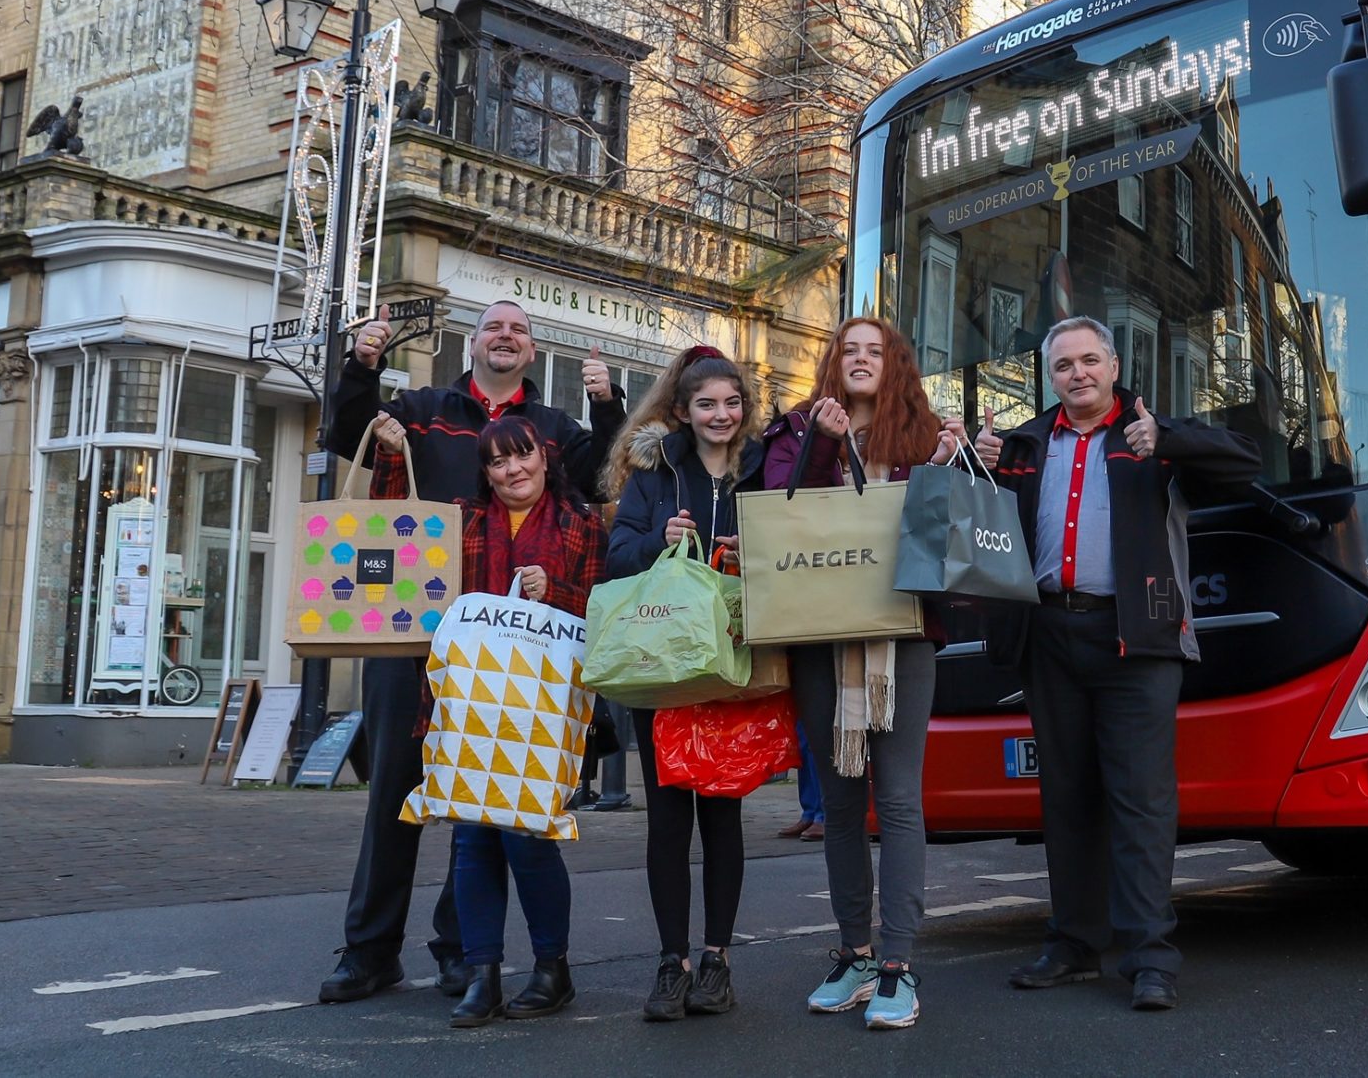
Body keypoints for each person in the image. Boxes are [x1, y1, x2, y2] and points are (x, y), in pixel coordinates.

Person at [316, 300, 622, 1006]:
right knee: (394, 793)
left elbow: (604, 478)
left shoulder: (554, 428)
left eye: (518, 328)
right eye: (493, 326)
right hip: (413, 630)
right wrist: (363, 368)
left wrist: (607, 406)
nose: (505, 336)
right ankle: (368, 950)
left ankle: (463, 952)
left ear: (533, 351)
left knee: (483, 795)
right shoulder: (423, 406)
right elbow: (347, 431)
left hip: (504, 650)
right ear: (475, 343)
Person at [975, 316, 1260, 1012]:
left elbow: (1247, 459)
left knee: (1141, 801)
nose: (1078, 373)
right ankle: (1073, 942)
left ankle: (1149, 956)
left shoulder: (1149, 433)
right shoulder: (1025, 441)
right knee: (1066, 798)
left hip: (1137, 636)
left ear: (1113, 363)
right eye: (1065, 363)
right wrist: (975, 455)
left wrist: (1170, 435)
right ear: (1052, 375)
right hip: (1048, 631)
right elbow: (977, 517)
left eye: (1090, 360)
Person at [760, 317, 965, 1031]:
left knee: (900, 799)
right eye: (850, 350)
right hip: (821, 635)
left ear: (895, 364)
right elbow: (782, 508)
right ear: (833, 361)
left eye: (875, 351)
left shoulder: (924, 433)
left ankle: (898, 966)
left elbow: (943, 533)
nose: (861, 359)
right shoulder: (797, 428)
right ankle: (854, 953)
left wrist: (946, 461)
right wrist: (821, 438)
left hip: (905, 636)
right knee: (841, 804)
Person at [380, 413, 606, 1028]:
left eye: (523, 455)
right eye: (498, 462)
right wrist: (394, 458)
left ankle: (551, 970)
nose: (513, 470)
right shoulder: (464, 522)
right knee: (472, 841)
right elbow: (395, 539)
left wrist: (553, 589)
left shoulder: (582, 522)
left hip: (542, 710)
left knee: (528, 839)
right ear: (486, 473)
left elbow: (604, 612)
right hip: (465, 704)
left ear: (544, 456)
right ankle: (482, 975)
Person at [605, 347, 767, 1022]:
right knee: (669, 821)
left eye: (731, 403)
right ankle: (670, 962)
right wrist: (658, 540)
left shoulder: (762, 470)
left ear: (744, 408)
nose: (720, 414)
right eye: (707, 404)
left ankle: (716, 960)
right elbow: (616, 557)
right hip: (665, 666)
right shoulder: (655, 473)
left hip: (730, 662)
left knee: (722, 815)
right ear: (684, 411)